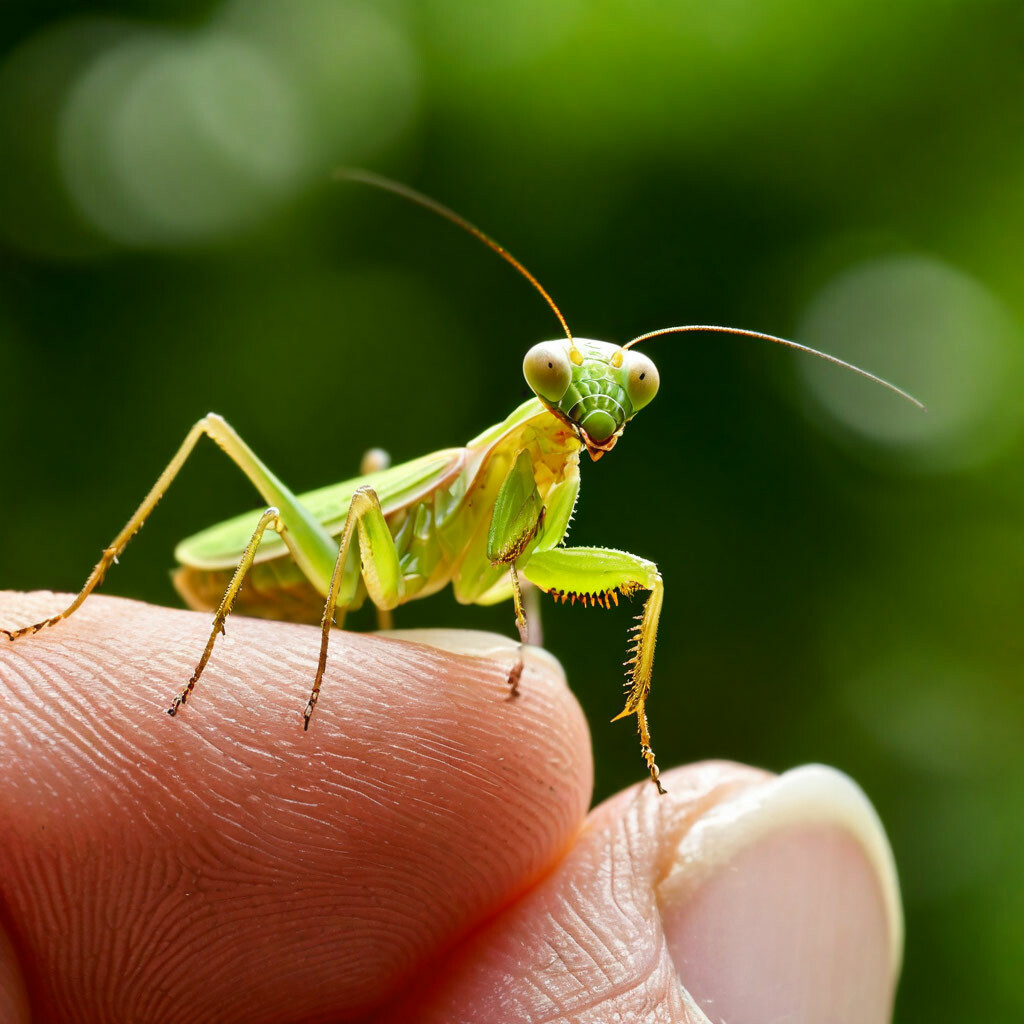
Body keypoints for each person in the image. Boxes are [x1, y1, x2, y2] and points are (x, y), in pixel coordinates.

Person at [0, 592, 900, 1023]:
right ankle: (85, 595)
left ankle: (638, 724)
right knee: (229, 438)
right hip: (288, 559)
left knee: (646, 580)